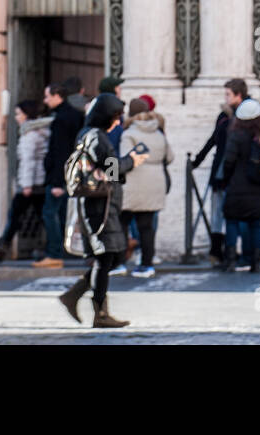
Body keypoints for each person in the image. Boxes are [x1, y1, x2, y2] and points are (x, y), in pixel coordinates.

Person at [56, 93, 147, 328]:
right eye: (115, 117)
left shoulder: (91, 135)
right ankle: (99, 313)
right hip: (100, 207)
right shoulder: (96, 137)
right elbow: (112, 170)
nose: (118, 122)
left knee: (111, 256)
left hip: (103, 205)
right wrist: (132, 161)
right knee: (105, 257)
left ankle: (75, 296)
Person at [0, 99, 52, 263]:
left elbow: (29, 162)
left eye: (18, 113)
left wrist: (26, 185)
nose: (16, 117)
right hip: (38, 182)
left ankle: (3, 248)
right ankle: (45, 248)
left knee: (17, 215)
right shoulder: (38, 132)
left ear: (26, 115)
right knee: (42, 216)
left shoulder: (30, 135)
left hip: (31, 184)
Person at [219, 98, 260, 273]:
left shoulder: (236, 135)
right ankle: (256, 262)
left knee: (232, 222)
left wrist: (225, 179)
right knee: (255, 224)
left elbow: (229, 160)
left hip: (238, 186)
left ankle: (229, 261)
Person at [193, 77, 245, 266]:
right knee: (217, 212)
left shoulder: (246, 116)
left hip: (239, 173)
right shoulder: (223, 116)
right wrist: (198, 160)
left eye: (228, 94)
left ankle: (235, 251)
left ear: (238, 95)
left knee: (236, 212)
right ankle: (217, 251)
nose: (225, 98)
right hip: (221, 171)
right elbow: (213, 140)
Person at [119, 97, 174, 278]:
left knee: (122, 223)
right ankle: (147, 264)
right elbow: (170, 157)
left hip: (133, 184)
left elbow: (125, 160)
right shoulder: (158, 132)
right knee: (147, 226)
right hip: (155, 182)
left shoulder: (129, 134)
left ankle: (118, 262)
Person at [34, 81, 83, 269]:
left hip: (60, 176)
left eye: (47, 96)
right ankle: (68, 251)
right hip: (71, 174)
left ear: (57, 96)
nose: (45, 101)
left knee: (50, 214)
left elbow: (61, 151)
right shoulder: (75, 116)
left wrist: (56, 182)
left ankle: (54, 253)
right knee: (64, 214)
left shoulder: (62, 119)